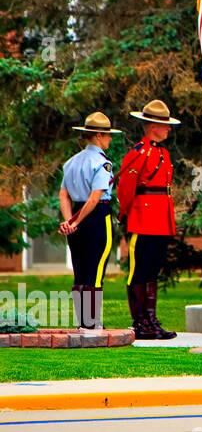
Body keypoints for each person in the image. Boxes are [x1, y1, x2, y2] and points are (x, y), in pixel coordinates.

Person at [116, 99, 181, 340]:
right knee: (140, 270)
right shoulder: (138, 153)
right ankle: (140, 322)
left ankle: (151, 320)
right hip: (142, 218)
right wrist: (126, 214)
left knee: (153, 269)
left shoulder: (163, 153)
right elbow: (125, 188)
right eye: (165, 125)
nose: (168, 129)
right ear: (153, 126)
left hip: (160, 218)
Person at [58, 112, 122, 330]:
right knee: (95, 272)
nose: (110, 139)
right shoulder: (103, 164)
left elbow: (64, 194)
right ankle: (93, 323)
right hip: (96, 217)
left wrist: (70, 221)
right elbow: (95, 197)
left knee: (80, 273)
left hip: (76, 213)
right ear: (99, 136)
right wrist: (76, 222)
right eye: (108, 135)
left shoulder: (71, 162)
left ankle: (83, 322)